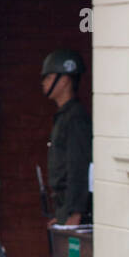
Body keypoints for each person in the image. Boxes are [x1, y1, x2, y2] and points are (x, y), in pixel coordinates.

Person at [41, 49, 91, 227]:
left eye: (48, 77)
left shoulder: (74, 117)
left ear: (63, 81)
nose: (43, 82)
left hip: (73, 210)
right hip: (64, 207)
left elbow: (78, 166)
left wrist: (74, 213)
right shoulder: (64, 116)